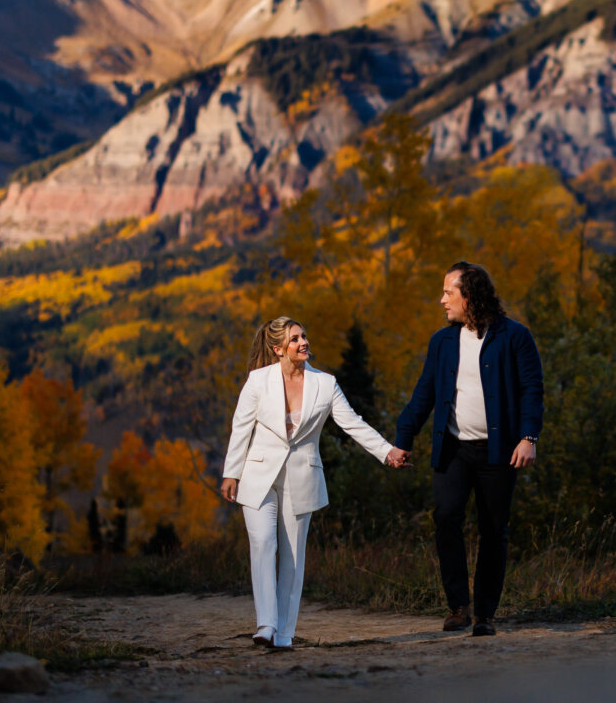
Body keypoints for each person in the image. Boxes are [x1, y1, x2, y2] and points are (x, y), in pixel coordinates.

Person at [221, 316, 408, 648]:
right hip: (258, 475)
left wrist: (387, 451)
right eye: (294, 339)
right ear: (278, 349)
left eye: (304, 336)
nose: (303, 342)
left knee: (293, 557)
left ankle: (284, 634)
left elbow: (352, 423)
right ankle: (265, 623)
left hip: (302, 477)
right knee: (263, 543)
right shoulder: (257, 381)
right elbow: (241, 428)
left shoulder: (326, 383)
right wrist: (231, 473)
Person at [393, 261, 544, 637]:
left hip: (499, 453)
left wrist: (529, 437)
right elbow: (424, 394)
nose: (441, 299)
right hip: (454, 449)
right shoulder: (442, 342)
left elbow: (532, 390)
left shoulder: (515, 336)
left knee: (494, 530)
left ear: (470, 295)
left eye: (448, 292)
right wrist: (402, 439)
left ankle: (484, 615)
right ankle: (458, 606)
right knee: (446, 517)